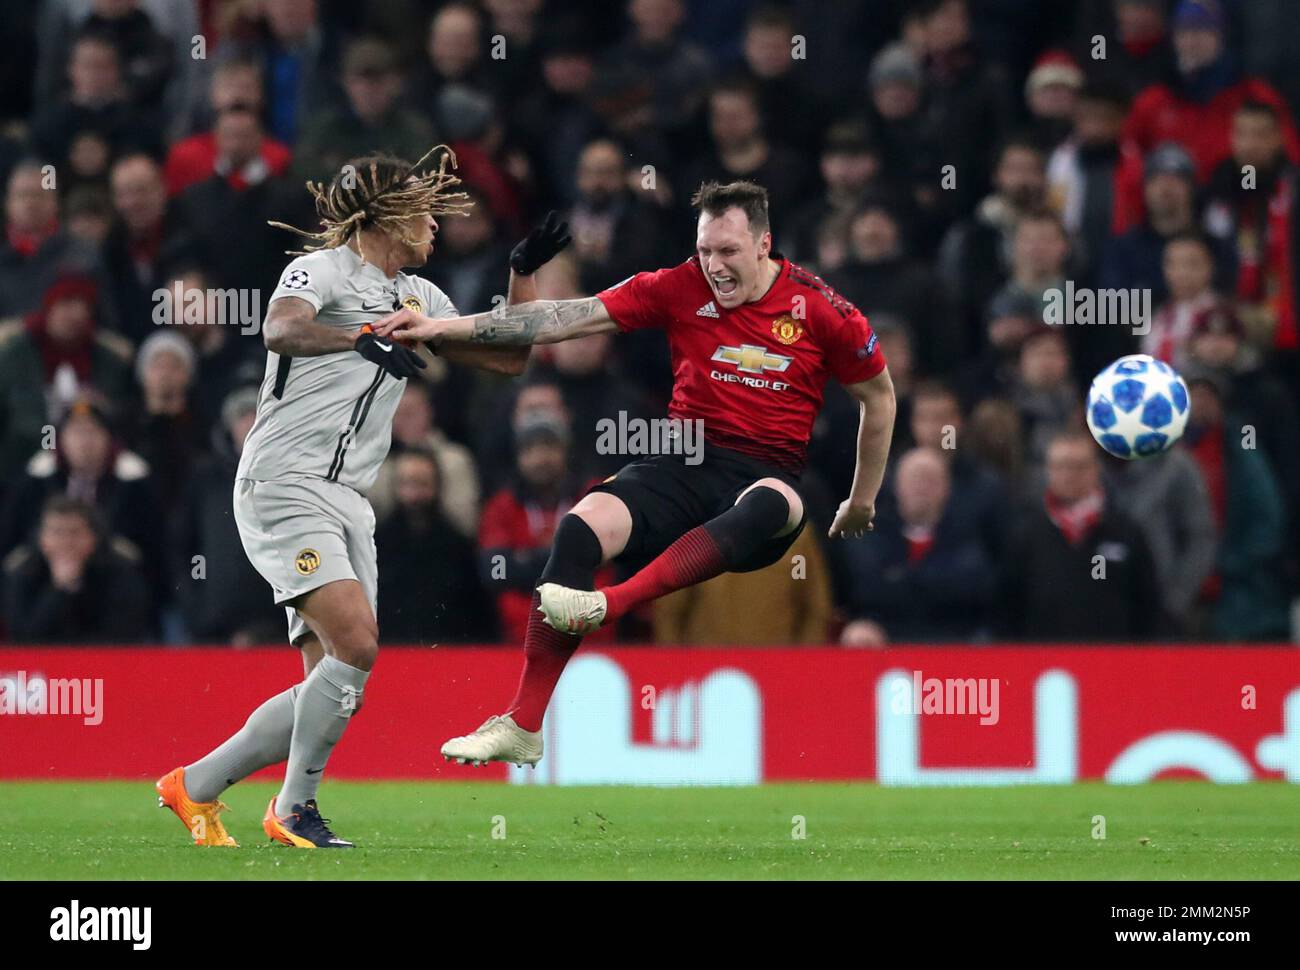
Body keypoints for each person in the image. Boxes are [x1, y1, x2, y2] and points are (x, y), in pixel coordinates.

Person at [374, 179, 895, 768]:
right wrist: (442, 328)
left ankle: (612, 604)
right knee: (579, 528)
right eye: (704, 251)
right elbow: (559, 320)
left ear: (764, 245)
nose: (714, 266)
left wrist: (862, 500)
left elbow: (878, 397)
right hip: (685, 461)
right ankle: (522, 723)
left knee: (778, 503)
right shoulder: (677, 287)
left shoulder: (820, 307)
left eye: (728, 252)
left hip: (761, 478)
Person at [154, 145, 571, 849]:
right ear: (388, 215)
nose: (436, 225)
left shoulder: (420, 299)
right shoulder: (319, 270)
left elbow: (508, 356)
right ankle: (293, 810)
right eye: (425, 211)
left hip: (349, 498)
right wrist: (360, 339)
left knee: (335, 681)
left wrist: (522, 275)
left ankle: (193, 786)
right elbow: (279, 327)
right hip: (284, 481)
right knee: (357, 643)